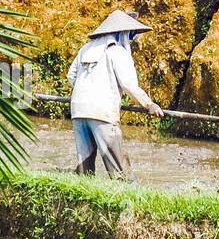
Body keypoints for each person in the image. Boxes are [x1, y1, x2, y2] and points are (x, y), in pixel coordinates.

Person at [66, 10, 163, 178]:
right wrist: (149, 104)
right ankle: (125, 195)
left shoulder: (85, 48)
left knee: (85, 163)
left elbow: (71, 76)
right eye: (131, 35)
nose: (131, 40)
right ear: (123, 33)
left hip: (78, 109)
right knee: (117, 165)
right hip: (102, 111)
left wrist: (86, 91)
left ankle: (84, 194)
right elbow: (128, 85)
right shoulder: (118, 51)